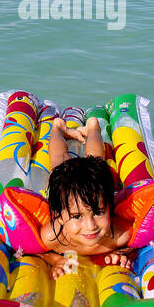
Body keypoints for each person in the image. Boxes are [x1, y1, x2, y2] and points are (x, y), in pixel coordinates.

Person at [39, 117, 133, 284]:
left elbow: (136, 243)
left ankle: (93, 127)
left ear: (109, 207)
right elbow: (35, 248)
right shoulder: (52, 236)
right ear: (60, 217)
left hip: (92, 191)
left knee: (96, 161)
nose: (91, 226)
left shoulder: (120, 235)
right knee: (59, 160)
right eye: (77, 216)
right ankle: (58, 128)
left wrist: (120, 253)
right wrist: (55, 260)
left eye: (98, 212)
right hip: (63, 192)